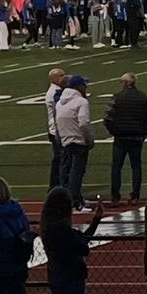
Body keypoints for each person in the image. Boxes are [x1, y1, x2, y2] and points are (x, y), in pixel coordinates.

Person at [104, 72, 147, 202]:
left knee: (116, 167)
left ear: (126, 83)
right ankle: (135, 195)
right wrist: (146, 131)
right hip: (137, 137)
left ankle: (115, 196)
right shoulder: (143, 97)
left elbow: (107, 119)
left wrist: (113, 131)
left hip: (120, 137)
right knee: (136, 167)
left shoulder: (117, 97)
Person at [54, 74, 94, 202]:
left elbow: (58, 122)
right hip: (79, 141)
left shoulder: (60, 103)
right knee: (77, 172)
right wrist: (89, 139)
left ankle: (68, 199)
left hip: (66, 141)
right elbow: (83, 123)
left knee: (66, 171)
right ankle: (76, 201)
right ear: (78, 87)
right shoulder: (81, 102)